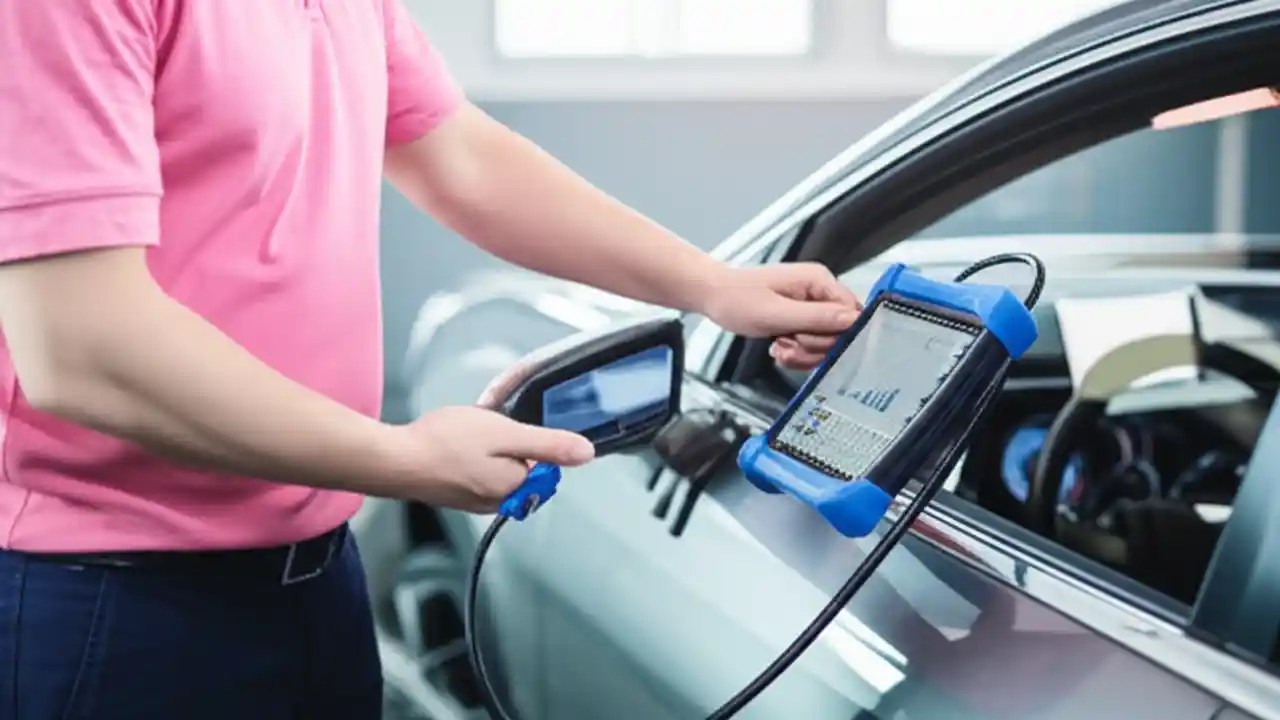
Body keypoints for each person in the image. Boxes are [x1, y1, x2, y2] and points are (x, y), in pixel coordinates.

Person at [0, 2, 861, 718]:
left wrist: (713, 285)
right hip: (113, 603)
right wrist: (402, 458)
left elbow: (459, 158)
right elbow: (81, 346)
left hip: (313, 579)